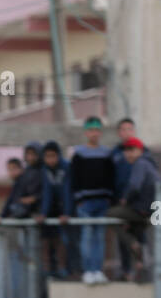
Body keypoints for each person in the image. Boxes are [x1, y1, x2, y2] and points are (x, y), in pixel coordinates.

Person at [106, 136, 161, 282]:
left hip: (145, 210)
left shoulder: (140, 163)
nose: (128, 154)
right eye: (126, 151)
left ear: (140, 151)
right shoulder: (150, 164)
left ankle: (134, 246)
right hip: (155, 211)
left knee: (110, 214)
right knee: (134, 232)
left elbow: (135, 186)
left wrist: (125, 200)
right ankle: (142, 269)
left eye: (132, 150)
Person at [69, 115, 116, 284]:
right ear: (86, 132)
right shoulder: (79, 154)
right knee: (87, 237)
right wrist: (78, 199)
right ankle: (88, 270)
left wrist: (110, 197)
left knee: (100, 237)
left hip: (102, 201)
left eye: (97, 130)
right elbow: (74, 179)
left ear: (100, 132)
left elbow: (111, 177)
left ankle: (97, 270)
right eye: (90, 130)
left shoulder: (107, 153)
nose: (94, 133)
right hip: (85, 203)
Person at [37, 139, 72, 280]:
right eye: (47, 156)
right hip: (52, 208)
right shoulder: (45, 170)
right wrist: (43, 213)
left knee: (62, 240)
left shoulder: (66, 167)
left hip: (66, 207)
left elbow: (68, 191)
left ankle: (63, 267)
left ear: (58, 156)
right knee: (45, 239)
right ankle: (47, 268)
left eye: (53, 156)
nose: (50, 160)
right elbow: (47, 192)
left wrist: (67, 213)